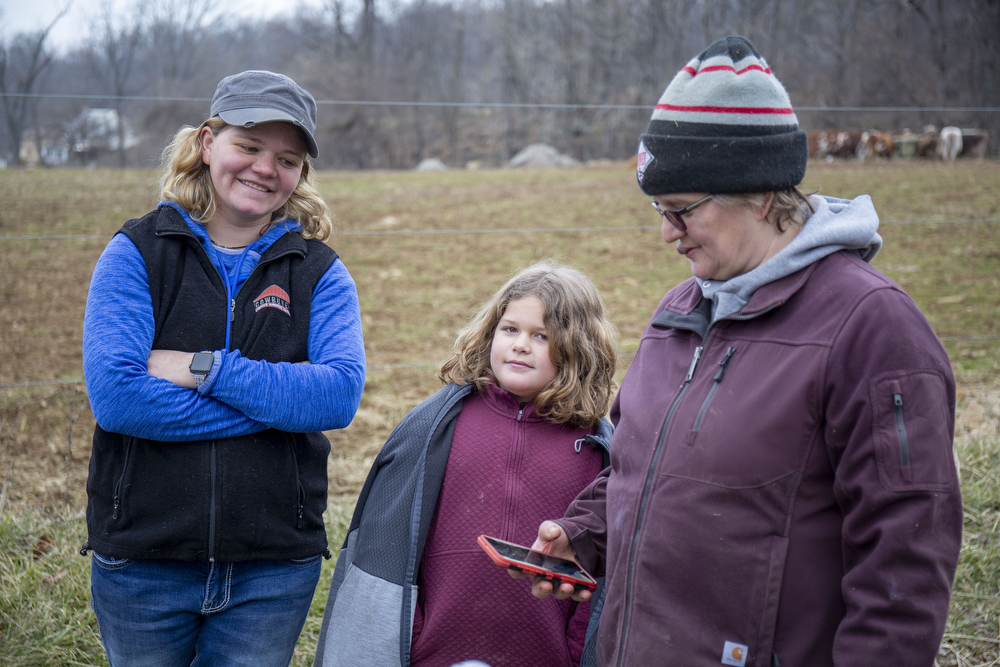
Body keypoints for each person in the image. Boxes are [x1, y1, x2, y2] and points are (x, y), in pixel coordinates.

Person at [518, 36, 963, 667]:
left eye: (682, 210)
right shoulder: (677, 312)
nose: (666, 233)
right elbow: (637, 469)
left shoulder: (873, 328)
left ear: (761, 194)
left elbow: (906, 561)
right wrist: (585, 534)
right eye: (659, 208)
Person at [81, 70, 366, 667]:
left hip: (273, 569)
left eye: (287, 159)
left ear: (300, 174)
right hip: (143, 562)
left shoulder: (319, 272)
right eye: (249, 145)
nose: (265, 169)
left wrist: (205, 369)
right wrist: (278, 407)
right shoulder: (137, 253)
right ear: (208, 143)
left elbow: (337, 395)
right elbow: (118, 398)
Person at [313, 262, 619, 667]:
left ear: (579, 349)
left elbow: (608, 571)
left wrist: (577, 649)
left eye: (542, 336)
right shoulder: (433, 427)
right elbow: (384, 547)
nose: (520, 345)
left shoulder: (598, 450)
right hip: (432, 654)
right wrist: (413, 636)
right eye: (510, 329)